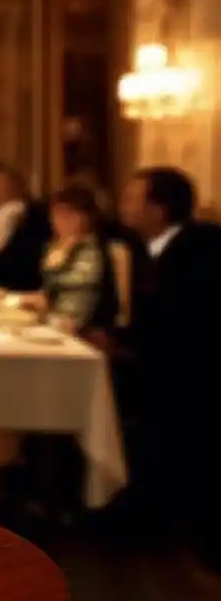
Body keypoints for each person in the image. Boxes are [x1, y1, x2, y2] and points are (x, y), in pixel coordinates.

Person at [119, 167, 221, 568]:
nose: (124, 206)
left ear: (158, 209)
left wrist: (124, 347)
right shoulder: (163, 246)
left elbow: (184, 327)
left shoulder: (197, 251)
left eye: (133, 199)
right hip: (172, 366)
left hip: (194, 378)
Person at [30, 186, 116, 342]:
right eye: (57, 215)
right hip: (54, 311)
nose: (62, 221)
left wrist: (49, 289)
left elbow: (84, 280)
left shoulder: (92, 246)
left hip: (81, 313)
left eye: (69, 214)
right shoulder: (55, 245)